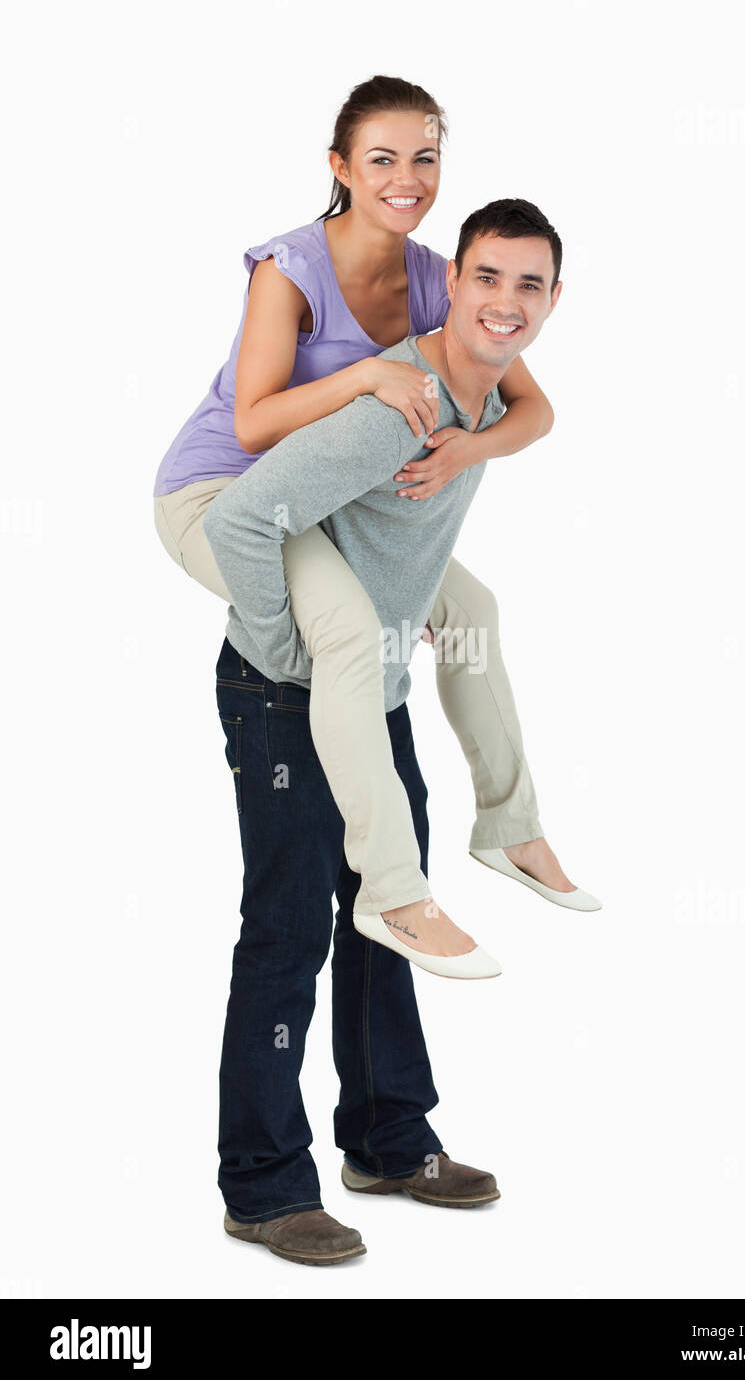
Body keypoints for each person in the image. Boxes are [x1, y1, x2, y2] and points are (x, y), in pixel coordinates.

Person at [153, 76, 600, 969]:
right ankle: (394, 894)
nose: (409, 177)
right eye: (383, 159)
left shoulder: (444, 278)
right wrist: (362, 378)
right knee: (351, 636)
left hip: (323, 496)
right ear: (340, 168)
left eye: (426, 157)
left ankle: (509, 827)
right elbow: (251, 426)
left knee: (471, 616)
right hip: (224, 493)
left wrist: (467, 452)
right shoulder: (291, 269)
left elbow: (531, 408)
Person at [205, 199, 567, 1263]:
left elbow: (537, 417)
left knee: (382, 919)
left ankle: (389, 1141)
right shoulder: (391, 406)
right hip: (285, 689)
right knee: (287, 935)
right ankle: (265, 1188)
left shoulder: (487, 383)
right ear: (448, 282)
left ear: (551, 300)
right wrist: (285, 653)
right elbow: (237, 518)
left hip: (377, 688)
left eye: (528, 286)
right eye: (488, 279)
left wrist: (472, 451)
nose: (505, 303)